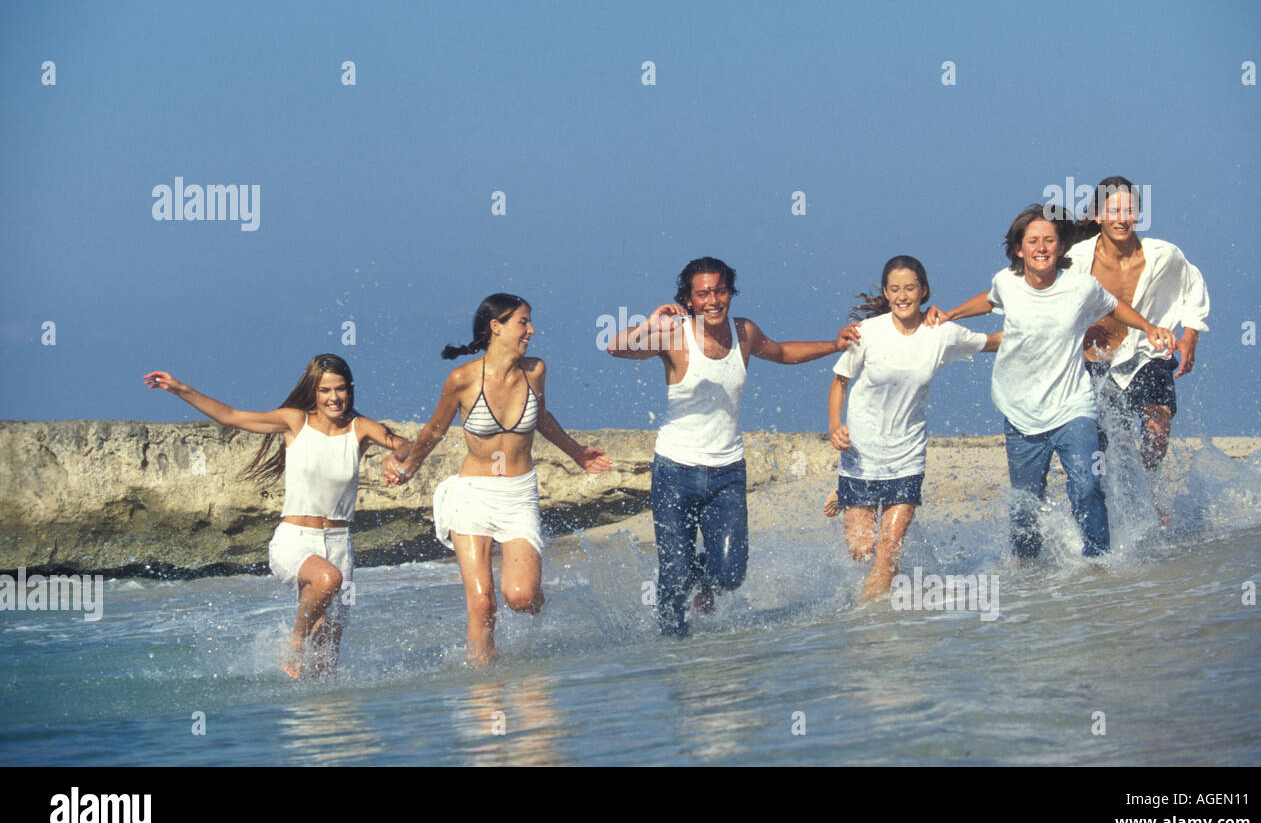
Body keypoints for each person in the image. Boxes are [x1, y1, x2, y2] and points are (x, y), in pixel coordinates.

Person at [606, 257, 858, 636]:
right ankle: (673, 651)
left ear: (730, 292)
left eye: (720, 290)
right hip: (675, 471)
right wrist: (649, 324)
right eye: (702, 293)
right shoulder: (674, 335)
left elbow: (783, 352)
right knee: (674, 575)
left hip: (727, 474)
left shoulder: (745, 332)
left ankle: (703, 582)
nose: (712, 300)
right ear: (689, 299)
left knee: (731, 573)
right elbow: (616, 348)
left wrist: (833, 344)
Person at [927, 206, 1175, 559]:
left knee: (1087, 486)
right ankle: (1027, 570)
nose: (1041, 248)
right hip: (1020, 410)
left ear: (1061, 248)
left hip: (1073, 406)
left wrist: (1148, 327)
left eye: (1049, 241)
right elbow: (989, 299)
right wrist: (950, 314)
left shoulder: (1081, 287)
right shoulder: (1006, 283)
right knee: (1026, 504)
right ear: (1019, 249)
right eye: (1033, 241)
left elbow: (1115, 305)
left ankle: (1098, 563)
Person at [144, 355, 409, 679]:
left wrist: (394, 457)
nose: (334, 398)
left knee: (327, 658)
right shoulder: (295, 421)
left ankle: (322, 722)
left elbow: (409, 446)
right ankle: (295, 641)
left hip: (340, 545)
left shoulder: (360, 429)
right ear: (313, 391)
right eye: (325, 390)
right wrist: (182, 389)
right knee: (327, 580)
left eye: (340, 389)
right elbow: (231, 416)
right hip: (294, 539)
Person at [383, 294, 610, 665]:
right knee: (483, 601)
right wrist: (408, 466)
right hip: (473, 494)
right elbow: (434, 431)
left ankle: (525, 643)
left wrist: (577, 451)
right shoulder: (462, 379)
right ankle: (483, 685)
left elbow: (541, 417)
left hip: (518, 495)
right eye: (523, 322)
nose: (531, 330)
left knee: (520, 596)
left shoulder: (535, 371)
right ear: (496, 327)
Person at [822, 256, 1000, 601]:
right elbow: (839, 381)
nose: (903, 296)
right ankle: (841, 493)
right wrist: (834, 425)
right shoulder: (868, 333)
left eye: (910, 288)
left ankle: (872, 629)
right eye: (895, 289)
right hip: (861, 452)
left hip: (907, 455)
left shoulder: (941, 333)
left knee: (888, 549)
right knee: (861, 550)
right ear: (887, 294)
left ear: (924, 291)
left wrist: (1045, 324)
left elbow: (992, 341)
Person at [1069, 176, 1210, 475]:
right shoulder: (1077, 259)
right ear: (1098, 215)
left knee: (1158, 425)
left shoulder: (1162, 255)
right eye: (1114, 210)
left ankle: (1148, 489)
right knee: (1104, 447)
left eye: (1130, 210)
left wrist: (1191, 336)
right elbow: (1050, 301)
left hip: (1146, 353)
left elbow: (1192, 282)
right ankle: (1113, 501)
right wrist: (1079, 330)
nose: (1123, 218)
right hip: (1096, 361)